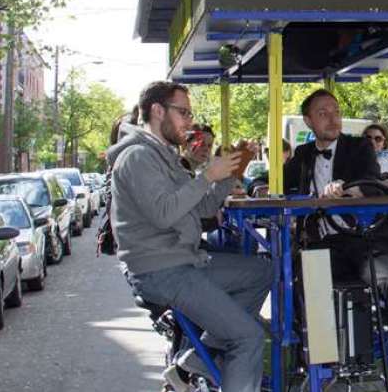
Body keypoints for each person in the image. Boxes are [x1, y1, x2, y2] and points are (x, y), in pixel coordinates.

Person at [108, 81, 275, 392]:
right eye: (183, 112)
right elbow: (164, 214)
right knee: (247, 337)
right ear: (158, 111)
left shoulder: (164, 155)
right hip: (161, 271)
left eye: (189, 114)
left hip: (184, 262)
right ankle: (207, 358)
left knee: (264, 270)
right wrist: (207, 175)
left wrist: (232, 171)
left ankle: (197, 359)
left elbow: (204, 207)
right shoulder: (137, 157)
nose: (189, 121)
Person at [284, 89, 388, 392]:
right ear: (308, 121)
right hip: (322, 241)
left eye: (335, 111)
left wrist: (347, 189)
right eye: (323, 113)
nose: (332, 118)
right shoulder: (303, 155)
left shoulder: (358, 146)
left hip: (361, 236)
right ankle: (322, 369)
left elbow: (372, 181)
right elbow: (278, 181)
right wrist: (257, 188)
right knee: (307, 278)